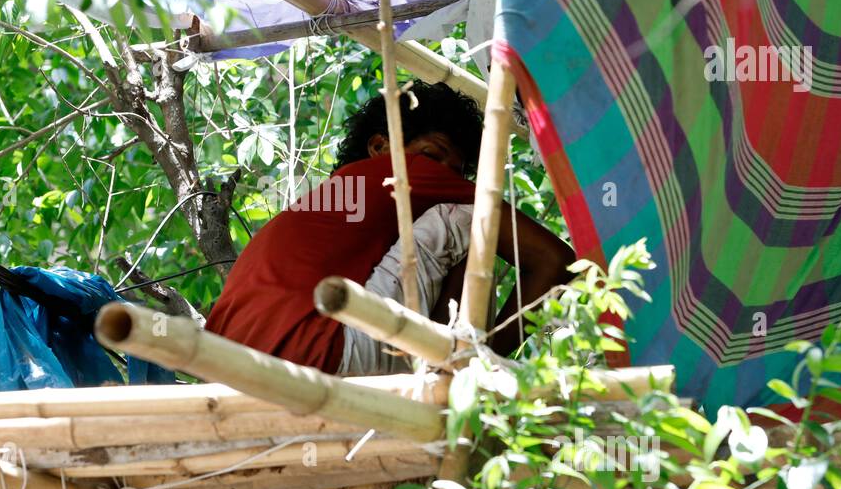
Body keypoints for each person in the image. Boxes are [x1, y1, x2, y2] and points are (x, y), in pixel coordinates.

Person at [205, 83, 575, 374]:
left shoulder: (329, 202)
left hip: (230, 374)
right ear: (380, 146)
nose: (442, 176)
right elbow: (555, 259)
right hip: (317, 352)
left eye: (456, 172)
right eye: (433, 156)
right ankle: (462, 365)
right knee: (467, 216)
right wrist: (492, 352)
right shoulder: (404, 171)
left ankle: (448, 361)